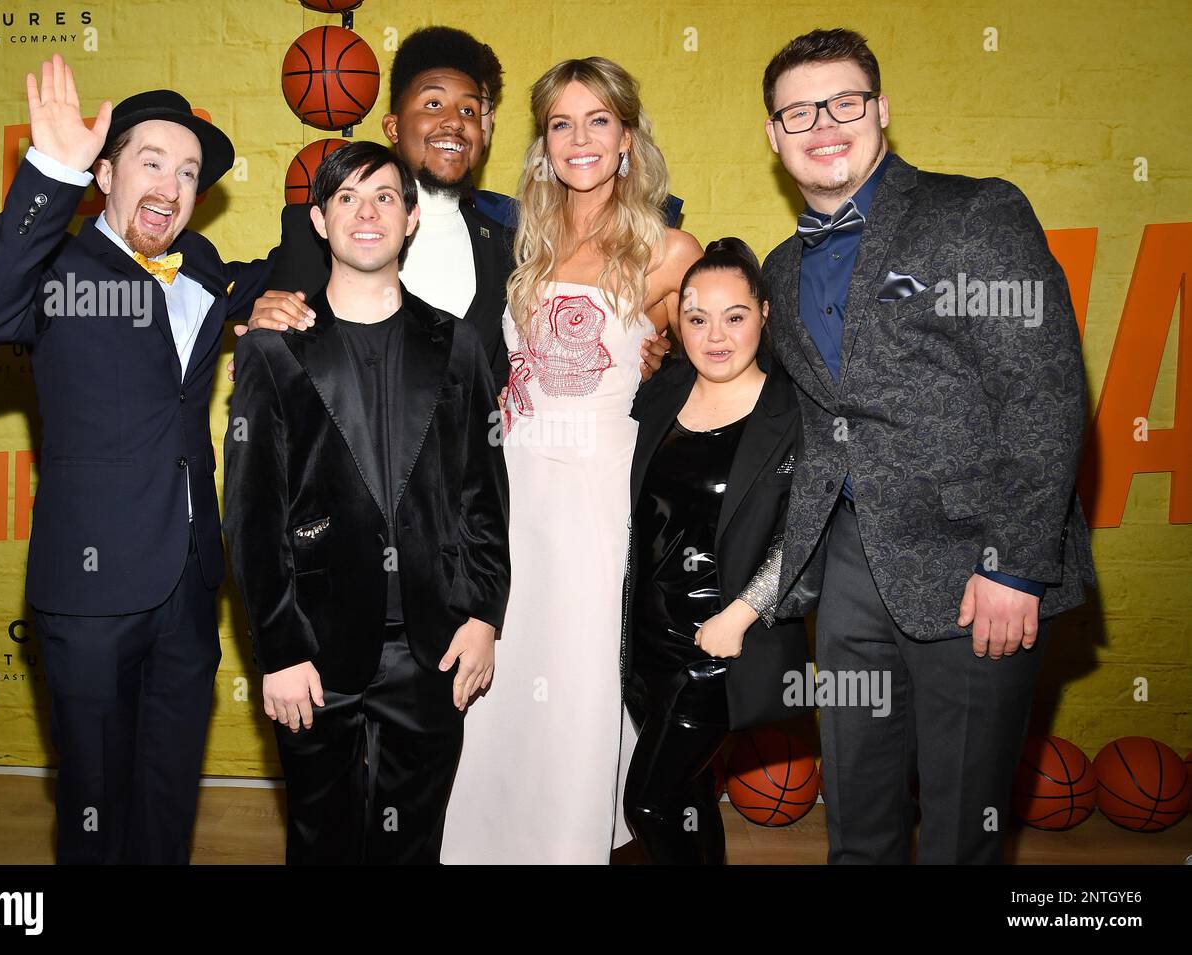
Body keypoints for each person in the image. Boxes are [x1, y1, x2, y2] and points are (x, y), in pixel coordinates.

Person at [759, 29, 1096, 863]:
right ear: (773, 136)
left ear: (882, 110)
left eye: (844, 102)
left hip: (975, 571)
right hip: (846, 576)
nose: (822, 124)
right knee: (857, 821)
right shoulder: (779, 270)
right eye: (798, 111)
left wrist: (1018, 562)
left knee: (959, 831)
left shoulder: (974, 211)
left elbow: (1044, 391)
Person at [0, 54, 275, 864]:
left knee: (167, 795)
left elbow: (251, 281)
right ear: (103, 172)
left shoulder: (198, 265)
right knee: (94, 803)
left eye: (189, 171)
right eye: (151, 161)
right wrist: (46, 172)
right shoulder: (55, 268)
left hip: (192, 582)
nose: (170, 185)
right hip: (90, 595)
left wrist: (278, 290)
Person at [441, 56, 703, 864]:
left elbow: (718, 361)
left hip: (596, 496)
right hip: (514, 482)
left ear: (627, 136)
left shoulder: (668, 247)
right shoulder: (523, 234)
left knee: (579, 679)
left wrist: (660, 366)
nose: (580, 138)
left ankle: (566, 845)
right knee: (503, 674)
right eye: (562, 123)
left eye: (598, 121)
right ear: (543, 140)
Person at [223, 141, 509, 865]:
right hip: (314, 647)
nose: (367, 212)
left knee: (413, 843)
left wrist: (482, 616)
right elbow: (253, 515)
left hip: (433, 643)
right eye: (346, 198)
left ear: (411, 218)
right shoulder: (271, 350)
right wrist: (279, 649)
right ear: (318, 220)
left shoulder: (460, 344)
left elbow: (483, 491)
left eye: (384, 196)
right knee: (320, 841)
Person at [241, 26, 673, 388]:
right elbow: (271, 365)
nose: (453, 121)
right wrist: (262, 324)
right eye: (433, 104)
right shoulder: (322, 229)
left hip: (473, 486)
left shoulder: (513, 244)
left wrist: (646, 350)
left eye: (469, 110)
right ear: (392, 125)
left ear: (484, 132)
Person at [622, 238, 809, 865]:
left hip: (720, 645)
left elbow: (807, 531)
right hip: (646, 640)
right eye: (698, 318)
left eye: (735, 317)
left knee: (648, 803)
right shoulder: (658, 394)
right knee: (689, 797)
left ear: (765, 314)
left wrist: (740, 616)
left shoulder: (794, 411)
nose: (716, 335)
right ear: (678, 320)